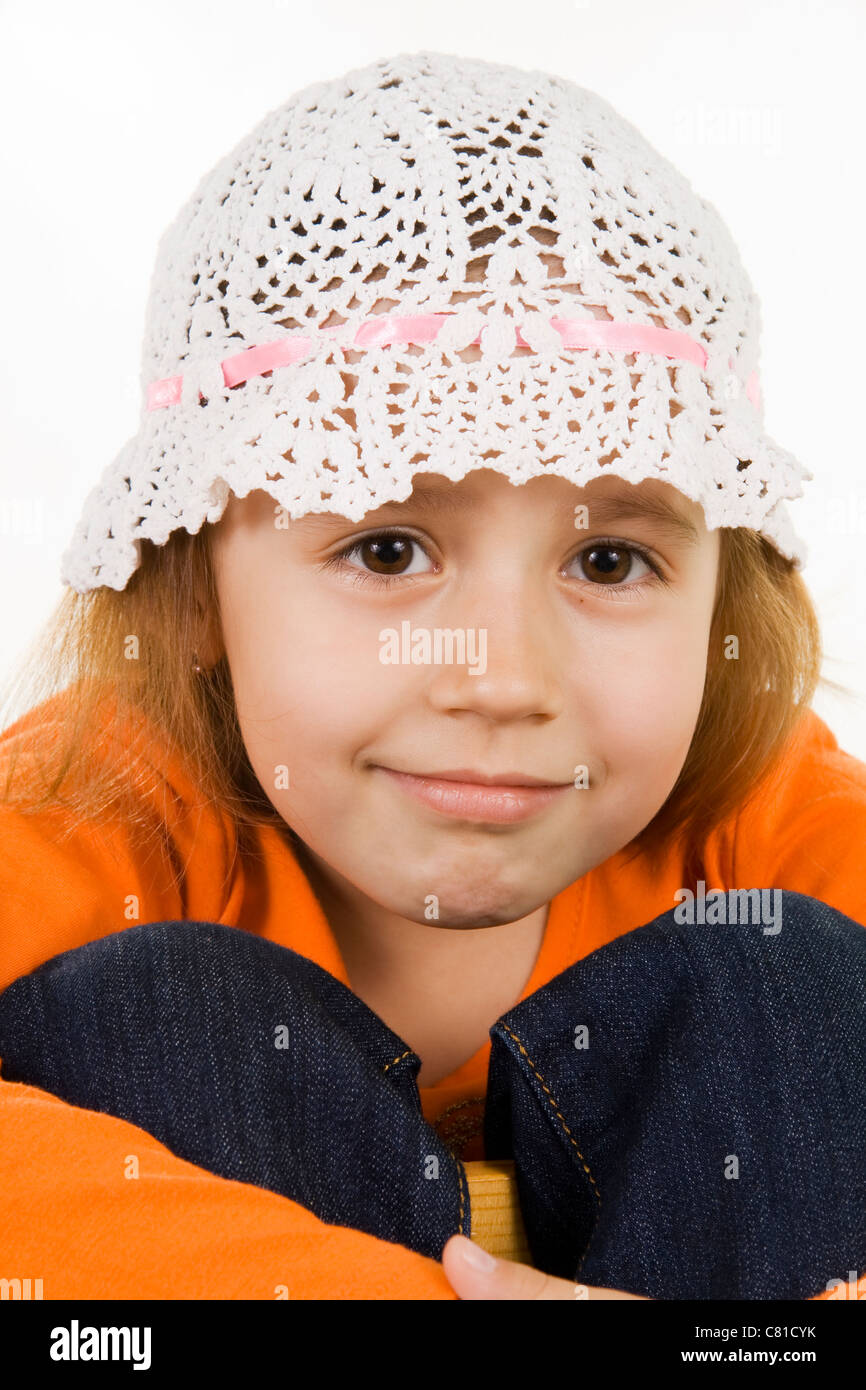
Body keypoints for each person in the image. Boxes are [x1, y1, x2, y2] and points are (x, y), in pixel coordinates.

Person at [0, 50, 863, 1302]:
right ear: (192, 591)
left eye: (609, 559)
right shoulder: (98, 802)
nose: (501, 679)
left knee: (789, 978)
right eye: (386, 547)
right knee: (159, 1005)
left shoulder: (756, 819)